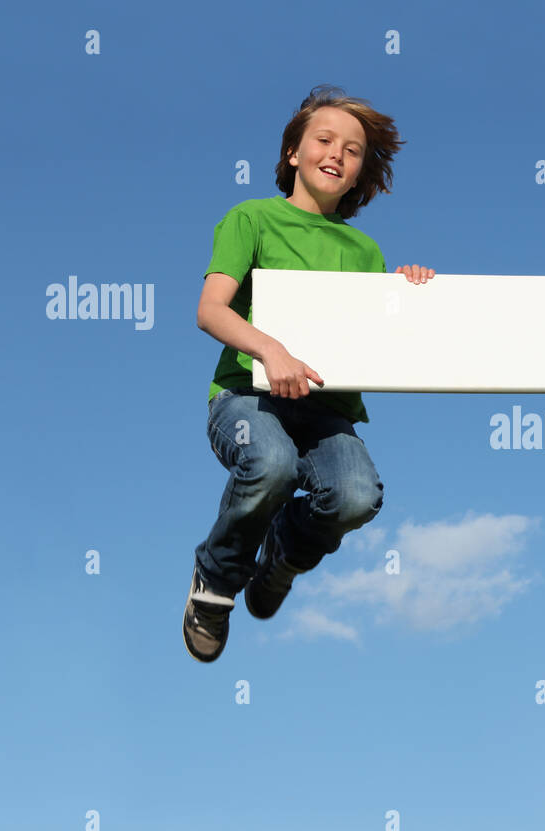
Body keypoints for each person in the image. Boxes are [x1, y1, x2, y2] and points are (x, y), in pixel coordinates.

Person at [185, 84, 435, 663]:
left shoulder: (364, 250)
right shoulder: (251, 218)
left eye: (352, 151)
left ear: (358, 175)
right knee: (270, 464)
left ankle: (284, 556)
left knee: (354, 496)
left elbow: (381, 337)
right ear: (293, 153)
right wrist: (271, 351)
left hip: (326, 412)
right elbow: (210, 309)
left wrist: (409, 291)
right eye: (324, 139)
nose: (338, 153)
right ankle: (217, 582)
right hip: (248, 399)